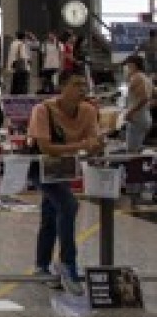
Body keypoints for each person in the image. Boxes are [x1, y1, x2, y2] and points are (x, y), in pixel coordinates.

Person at [28, 72, 102, 295]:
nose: (82, 89)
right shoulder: (43, 110)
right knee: (69, 205)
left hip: (63, 168)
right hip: (39, 166)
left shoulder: (88, 110)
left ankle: (41, 265)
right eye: (76, 84)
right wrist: (81, 145)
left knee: (52, 212)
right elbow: (45, 147)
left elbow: (94, 141)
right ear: (62, 87)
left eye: (84, 84)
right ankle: (68, 263)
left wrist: (96, 144)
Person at [122, 55, 152, 153]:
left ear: (133, 65)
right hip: (143, 117)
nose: (126, 68)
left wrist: (130, 112)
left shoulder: (137, 77)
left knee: (131, 153)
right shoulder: (145, 77)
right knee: (136, 149)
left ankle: (135, 168)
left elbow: (144, 98)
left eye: (127, 65)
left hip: (137, 119)